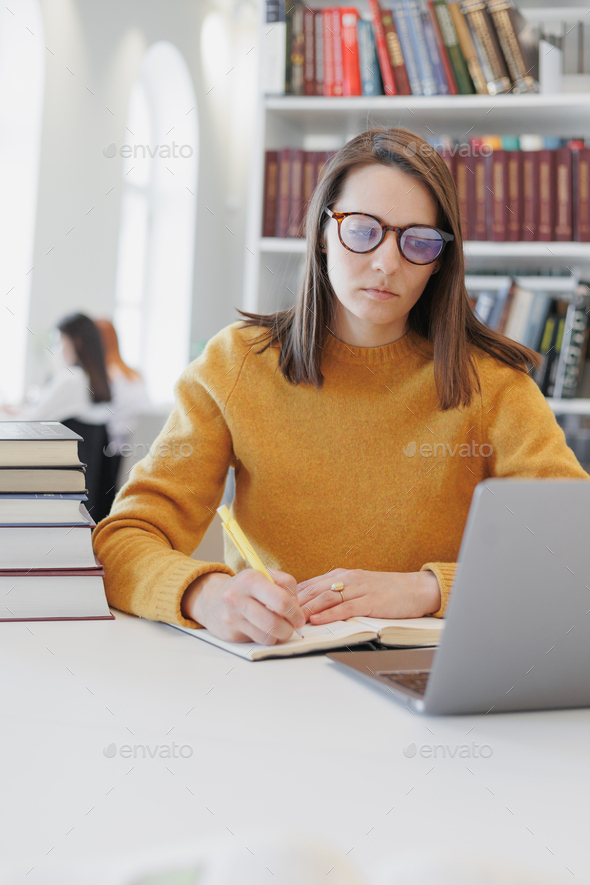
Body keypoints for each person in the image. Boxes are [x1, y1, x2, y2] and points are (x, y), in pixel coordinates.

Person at [92, 127, 589, 646]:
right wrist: (207, 594)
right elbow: (123, 541)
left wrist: (429, 590)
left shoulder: (492, 383)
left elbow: (576, 544)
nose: (386, 263)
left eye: (418, 241)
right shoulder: (237, 364)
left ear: (440, 261)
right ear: (323, 235)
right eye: (362, 230)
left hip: (434, 671)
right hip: (277, 674)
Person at [1, 312, 113, 519]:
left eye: (60, 341)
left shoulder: (71, 378)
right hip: (88, 489)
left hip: (60, 479)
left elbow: (29, 422)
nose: (57, 350)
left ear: (76, 342)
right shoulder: (96, 378)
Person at [94, 319, 152, 507]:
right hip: (139, 455)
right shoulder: (134, 374)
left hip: (115, 458)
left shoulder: (107, 375)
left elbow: (109, 423)